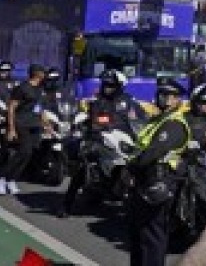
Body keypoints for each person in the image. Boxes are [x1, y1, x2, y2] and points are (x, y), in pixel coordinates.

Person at [60, 69, 147, 217]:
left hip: (124, 141)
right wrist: (96, 126)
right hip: (99, 139)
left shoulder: (130, 101)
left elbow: (141, 119)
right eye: (106, 84)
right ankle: (66, 205)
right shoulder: (97, 101)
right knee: (83, 167)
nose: (108, 88)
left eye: (112, 85)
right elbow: (94, 119)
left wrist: (144, 128)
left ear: (119, 86)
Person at [129, 79, 192, 266]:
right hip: (144, 180)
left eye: (170, 96)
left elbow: (154, 151)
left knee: (152, 236)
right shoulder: (158, 120)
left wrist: (131, 166)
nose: (164, 99)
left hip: (159, 183)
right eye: (162, 95)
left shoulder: (174, 124)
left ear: (177, 100)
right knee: (139, 233)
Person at [0, 64, 47, 195]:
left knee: (28, 154)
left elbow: (39, 107)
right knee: (23, 152)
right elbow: (11, 108)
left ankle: (11, 179)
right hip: (21, 123)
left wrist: (46, 124)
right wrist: (11, 129)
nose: (45, 75)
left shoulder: (39, 89)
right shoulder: (22, 88)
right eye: (43, 72)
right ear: (37, 73)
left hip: (34, 124)